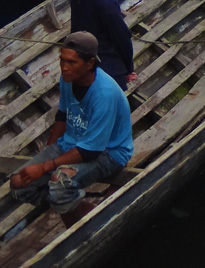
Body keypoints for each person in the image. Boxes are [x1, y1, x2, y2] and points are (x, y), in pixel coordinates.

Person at [8, 31, 134, 222]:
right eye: (62, 60)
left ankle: (79, 226)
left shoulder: (104, 94)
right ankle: (76, 207)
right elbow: (63, 115)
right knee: (18, 183)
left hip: (109, 153)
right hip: (73, 144)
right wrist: (50, 149)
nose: (64, 68)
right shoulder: (68, 79)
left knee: (60, 183)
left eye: (71, 62)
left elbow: (90, 151)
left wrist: (44, 167)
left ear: (90, 63)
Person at [44, 0, 136, 90]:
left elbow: (122, 37)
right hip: (82, 60)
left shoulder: (104, 2)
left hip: (105, 67)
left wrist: (129, 68)